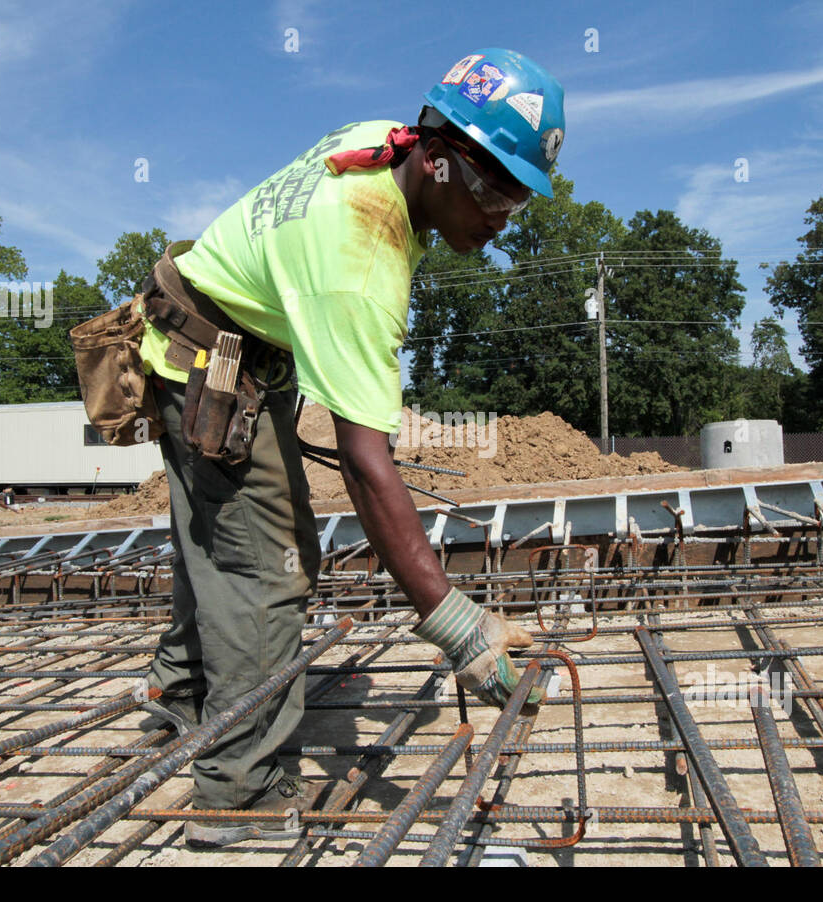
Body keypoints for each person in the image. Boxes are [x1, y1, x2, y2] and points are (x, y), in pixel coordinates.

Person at [134, 48, 566, 846]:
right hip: (212, 362)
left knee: (222, 548)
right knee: (266, 567)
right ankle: (238, 795)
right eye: (497, 187)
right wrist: (460, 630)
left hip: (208, 349)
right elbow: (369, 466)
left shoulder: (383, 142)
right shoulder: (359, 264)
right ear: (437, 161)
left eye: (519, 196)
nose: (505, 214)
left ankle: (177, 705)